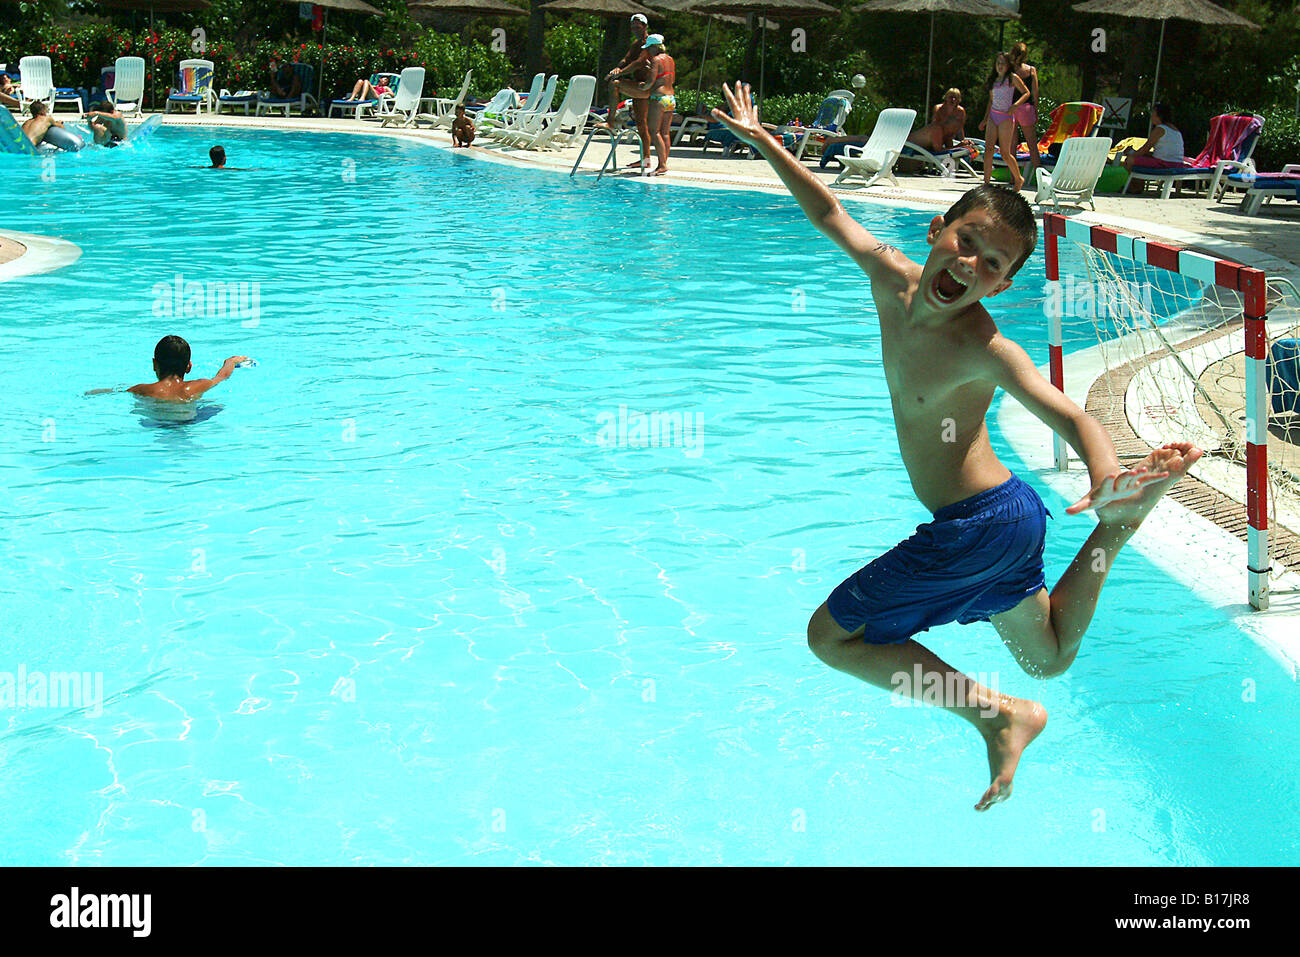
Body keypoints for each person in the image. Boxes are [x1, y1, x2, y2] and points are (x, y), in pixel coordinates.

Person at [711, 80, 1202, 812]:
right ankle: (1113, 533)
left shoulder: (988, 347)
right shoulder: (890, 277)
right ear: (938, 227)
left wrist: (1104, 468)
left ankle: (992, 710)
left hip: (981, 524)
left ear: (1002, 288)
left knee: (832, 636)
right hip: (1004, 521)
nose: (970, 265)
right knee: (1050, 656)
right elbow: (829, 211)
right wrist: (767, 141)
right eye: (966, 243)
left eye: (992, 266)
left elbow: (1073, 414)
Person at [120, 336, 248, 401]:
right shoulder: (198, 385)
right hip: (188, 421)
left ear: (154, 364)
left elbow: (111, 391)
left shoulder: (140, 389)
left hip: (156, 423)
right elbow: (223, 376)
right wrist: (230, 361)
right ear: (189, 367)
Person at [605, 13, 655, 171]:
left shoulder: (648, 43)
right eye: (632, 26)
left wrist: (619, 74)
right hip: (638, 86)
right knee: (641, 124)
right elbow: (626, 60)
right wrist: (617, 68)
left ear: (645, 26)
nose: (634, 28)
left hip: (646, 87)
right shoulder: (636, 43)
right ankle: (645, 159)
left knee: (615, 84)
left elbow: (637, 64)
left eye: (637, 26)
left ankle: (611, 121)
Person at [979, 52, 1030, 191]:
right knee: (988, 149)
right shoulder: (993, 81)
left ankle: (1018, 178)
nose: (1000, 66)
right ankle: (986, 183)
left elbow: (1026, 93)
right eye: (998, 63)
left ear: (1008, 65)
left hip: (1005, 118)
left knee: (1005, 153)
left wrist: (1015, 105)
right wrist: (984, 120)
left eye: (1003, 63)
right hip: (993, 116)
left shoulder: (1012, 78)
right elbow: (991, 100)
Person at [636, 34, 675, 176]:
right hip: (671, 98)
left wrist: (642, 86)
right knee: (665, 133)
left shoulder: (655, 60)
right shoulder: (670, 59)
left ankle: (662, 165)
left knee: (654, 132)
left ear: (654, 47)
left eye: (649, 48)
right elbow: (669, 78)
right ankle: (663, 163)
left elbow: (650, 82)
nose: (647, 51)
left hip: (658, 99)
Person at [1119, 102, 1185, 178]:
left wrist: (1131, 154)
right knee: (1142, 159)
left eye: (1153, 114)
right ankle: (1136, 187)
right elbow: (1162, 153)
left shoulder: (1160, 129)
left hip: (1163, 164)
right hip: (1177, 164)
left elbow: (1145, 149)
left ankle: (1131, 187)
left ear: (1159, 116)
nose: (1151, 116)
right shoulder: (1175, 130)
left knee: (1130, 160)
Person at [1008, 43, 1040, 179]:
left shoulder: (1009, 71)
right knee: (1032, 144)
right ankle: (1039, 177)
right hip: (1026, 108)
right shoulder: (1031, 70)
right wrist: (1036, 110)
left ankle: (1013, 177)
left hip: (1011, 107)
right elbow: (1035, 92)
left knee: (1011, 145)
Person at [907, 88, 967, 153]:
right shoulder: (937, 128)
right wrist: (959, 146)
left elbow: (950, 151)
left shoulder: (948, 135)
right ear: (946, 97)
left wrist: (963, 144)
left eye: (956, 98)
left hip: (922, 146)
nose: (953, 100)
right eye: (951, 97)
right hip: (908, 147)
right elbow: (939, 151)